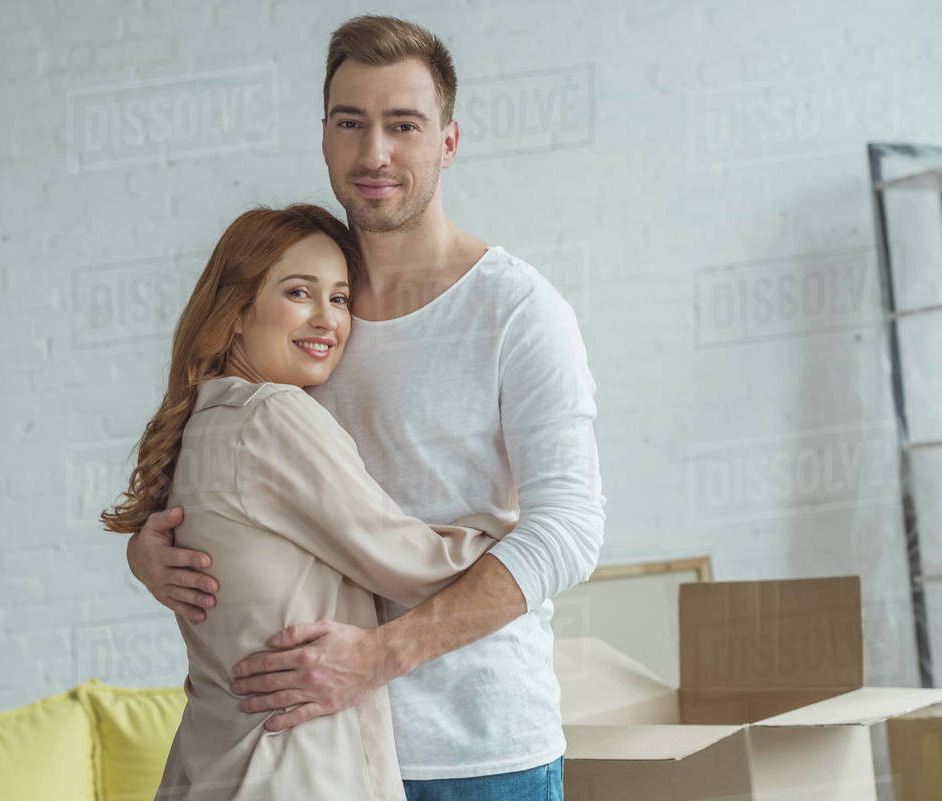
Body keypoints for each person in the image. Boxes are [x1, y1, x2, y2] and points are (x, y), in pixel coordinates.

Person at [127, 15, 605, 801]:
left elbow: (572, 530)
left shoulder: (517, 310)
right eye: (351, 123)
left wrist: (377, 656)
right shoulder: (303, 311)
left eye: (403, 125)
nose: (374, 152)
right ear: (323, 136)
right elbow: (233, 464)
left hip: (479, 757)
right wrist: (156, 547)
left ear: (448, 140)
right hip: (321, 761)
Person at [101, 204, 510, 800]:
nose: (328, 320)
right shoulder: (273, 415)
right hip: (294, 774)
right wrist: (518, 521)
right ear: (236, 311)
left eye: (341, 299)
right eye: (300, 292)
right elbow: (418, 566)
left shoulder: (204, 423)